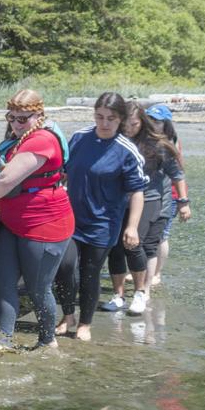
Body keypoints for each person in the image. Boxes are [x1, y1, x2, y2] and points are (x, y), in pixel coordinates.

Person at [0, 90, 74, 350]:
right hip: (13, 222)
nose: (17, 123)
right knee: (3, 280)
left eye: (24, 118)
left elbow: (6, 179)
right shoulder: (16, 138)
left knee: (38, 288)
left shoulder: (42, 140)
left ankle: (47, 341)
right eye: (12, 118)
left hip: (45, 224)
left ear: (39, 115)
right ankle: (3, 341)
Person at [62, 92, 147, 341]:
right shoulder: (79, 138)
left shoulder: (126, 150)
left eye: (111, 118)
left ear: (120, 119)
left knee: (90, 273)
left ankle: (85, 324)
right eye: (100, 117)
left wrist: (131, 228)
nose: (104, 123)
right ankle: (68, 315)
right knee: (65, 268)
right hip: (71, 218)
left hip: (104, 223)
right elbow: (62, 173)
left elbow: (137, 192)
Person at [100, 102, 189, 315]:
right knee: (115, 248)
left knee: (134, 242)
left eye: (134, 124)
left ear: (142, 122)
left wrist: (183, 202)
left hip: (150, 199)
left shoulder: (158, 146)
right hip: (119, 201)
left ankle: (140, 292)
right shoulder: (114, 141)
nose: (129, 129)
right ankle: (118, 295)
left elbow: (178, 175)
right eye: (125, 124)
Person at [145, 104, 187, 289]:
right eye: (150, 119)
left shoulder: (169, 142)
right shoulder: (144, 139)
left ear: (165, 124)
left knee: (161, 236)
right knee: (145, 236)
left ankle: (157, 273)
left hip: (170, 194)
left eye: (157, 121)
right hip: (151, 194)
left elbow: (179, 174)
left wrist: (183, 202)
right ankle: (144, 271)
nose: (152, 124)